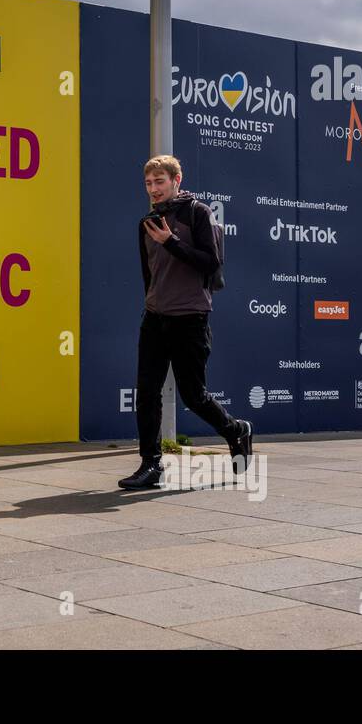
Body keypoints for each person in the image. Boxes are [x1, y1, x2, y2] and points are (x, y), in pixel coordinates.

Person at [118, 155, 252, 490]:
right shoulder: (146, 223)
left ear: (177, 180)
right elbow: (149, 273)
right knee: (147, 393)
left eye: (160, 181)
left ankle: (236, 430)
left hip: (190, 317)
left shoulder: (198, 213)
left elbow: (210, 263)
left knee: (193, 396)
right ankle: (150, 464)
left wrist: (172, 243)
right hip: (154, 318)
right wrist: (154, 301)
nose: (154, 189)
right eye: (149, 183)